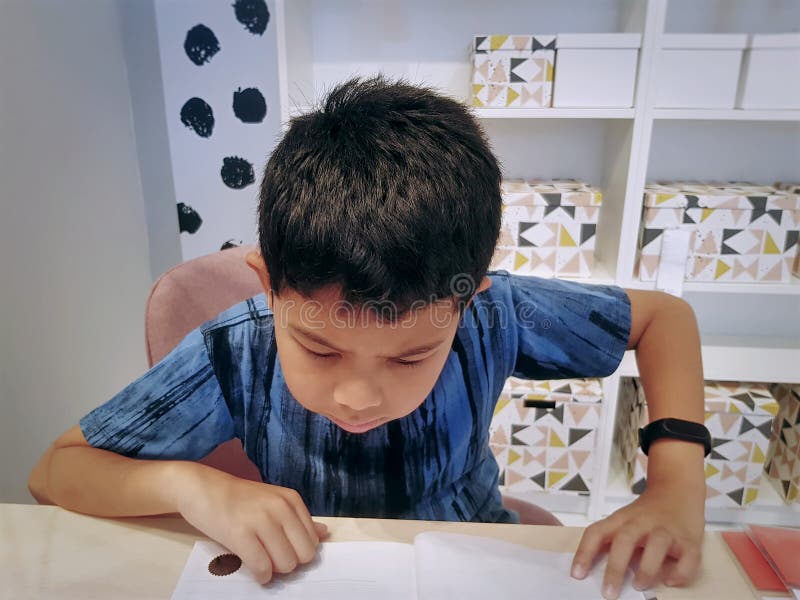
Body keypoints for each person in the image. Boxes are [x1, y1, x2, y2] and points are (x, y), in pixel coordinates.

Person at [28, 76, 707, 600]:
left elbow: (661, 317)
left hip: (468, 556)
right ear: (268, 286)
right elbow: (54, 472)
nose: (357, 396)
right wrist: (189, 486)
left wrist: (676, 483)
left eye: (412, 355)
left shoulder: (492, 315)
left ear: (470, 300)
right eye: (320, 348)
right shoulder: (237, 349)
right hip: (306, 569)